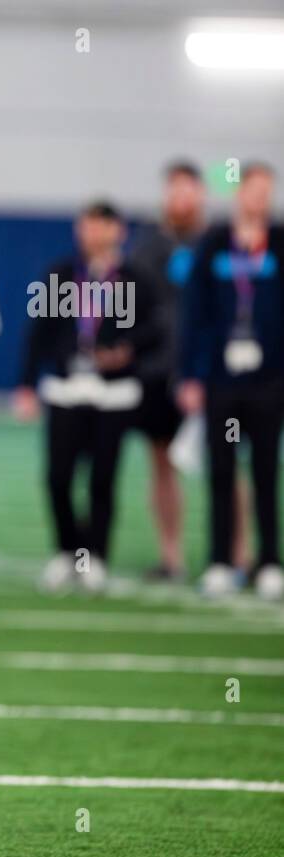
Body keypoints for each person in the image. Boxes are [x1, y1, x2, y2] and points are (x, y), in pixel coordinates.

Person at [15, 200, 158, 593]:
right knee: (58, 476)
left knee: (102, 478)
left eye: (103, 225)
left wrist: (126, 349)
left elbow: (155, 329)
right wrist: (26, 384)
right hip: (66, 387)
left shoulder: (133, 278)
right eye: (88, 225)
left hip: (113, 392)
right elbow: (38, 331)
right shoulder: (61, 274)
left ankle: (94, 555)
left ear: (119, 231)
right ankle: (66, 551)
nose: (95, 233)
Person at [178, 163, 284, 600]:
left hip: (270, 379)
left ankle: (269, 562)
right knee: (221, 471)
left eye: (267, 190)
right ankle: (220, 560)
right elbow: (193, 313)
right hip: (221, 380)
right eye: (252, 189)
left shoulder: (279, 242)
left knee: (265, 471)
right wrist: (190, 375)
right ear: (239, 193)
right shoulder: (214, 243)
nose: (258, 198)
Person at [128, 161, 205, 580]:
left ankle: (239, 556)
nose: (182, 199)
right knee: (161, 462)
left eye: (189, 190)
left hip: (213, 375)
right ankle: (171, 555)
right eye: (174, 190)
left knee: (229, 464)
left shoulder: (218, 244)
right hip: (159, 373)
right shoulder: (148, 246)